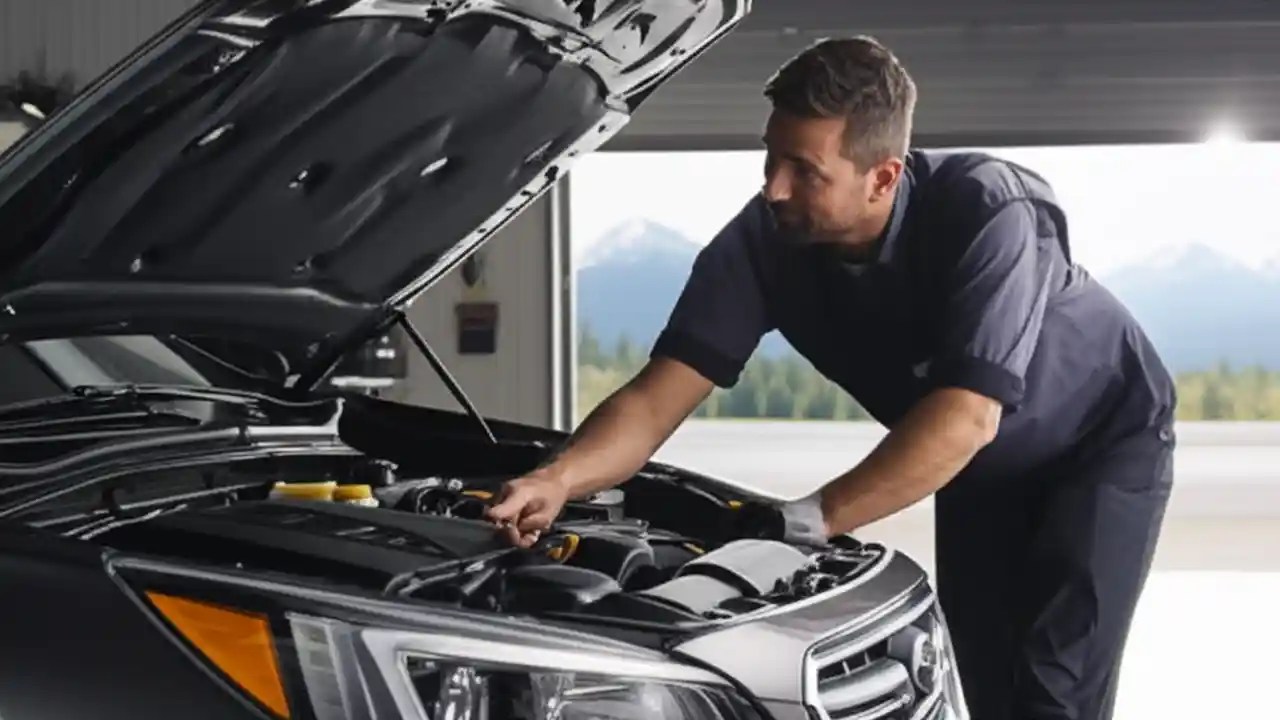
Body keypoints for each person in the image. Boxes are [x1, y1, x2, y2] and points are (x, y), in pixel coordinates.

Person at [486, 35, 1175, 720]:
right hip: (975, 465)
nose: (773, 188)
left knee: (1054, 690)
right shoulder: (763, 241)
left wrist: (804, 522)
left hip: (1102, 443)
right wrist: (560, 478)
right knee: (987, 685)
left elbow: (967, 417)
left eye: (804, 169)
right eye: (769, 156)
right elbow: (654, 397)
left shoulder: (992, 210)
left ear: (882, 177)